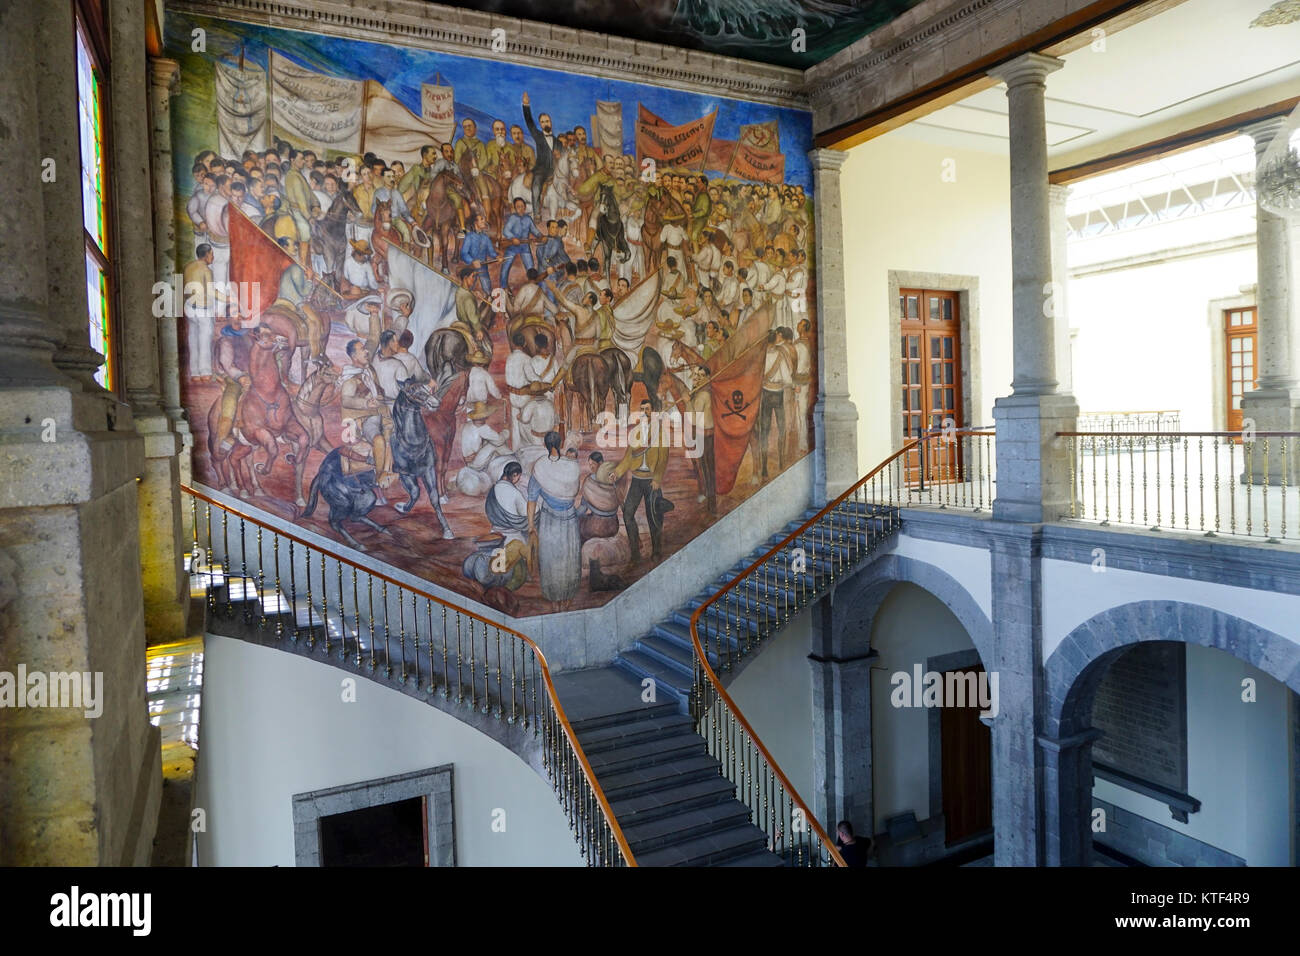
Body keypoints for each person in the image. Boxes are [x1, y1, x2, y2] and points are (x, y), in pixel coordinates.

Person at [526, 430, 582, 609]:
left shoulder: (540, 466)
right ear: (560, 444)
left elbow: (532, 499)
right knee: (570, 560)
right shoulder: (572, 466)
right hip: (570, 520)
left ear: (545, 445)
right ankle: (567, 601)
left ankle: (555, 603)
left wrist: (530, 525)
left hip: (549, 520)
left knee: (550, 560)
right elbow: (574, 492)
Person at [612, 398, 671, 564]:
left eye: (648, 409)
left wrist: (658, 479)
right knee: (628, 513)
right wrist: (617, 472)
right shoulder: (636, 432)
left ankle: (657, 551)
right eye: (642, 408)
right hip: (637, 480)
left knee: (654, 517)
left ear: (653, 412)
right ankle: (635, 553)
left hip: (652, 481)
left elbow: (663, 459)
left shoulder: (660, 433)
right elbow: (628, 457)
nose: (644, 412)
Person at [183, 244, 217, 380]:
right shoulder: (206, 270)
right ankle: (205, 372)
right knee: (204, 341)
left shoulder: (188, 267)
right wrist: (227, 297)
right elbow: (210, 292)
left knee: (193, 340)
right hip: (202, 310)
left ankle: (195, 373)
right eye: (211, 254)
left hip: (189, 307)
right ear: (206, 254)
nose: (213, 257)